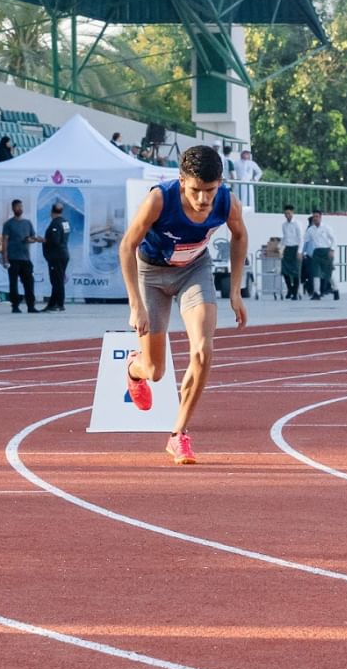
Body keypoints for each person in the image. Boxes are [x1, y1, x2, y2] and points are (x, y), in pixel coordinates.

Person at [117, 144, 249, 465]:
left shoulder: (227, 201)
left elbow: (240, 236)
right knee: (156, 370)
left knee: (203, 350)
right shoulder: (159, 199)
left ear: (219, 184)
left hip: (194, 271)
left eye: (210, 190)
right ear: (181, 181)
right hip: (151, 274)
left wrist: (235, 290)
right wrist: (136, 304)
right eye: (195, 190)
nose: (203, 199)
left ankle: (179, 434)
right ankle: (135, 370)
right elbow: (127, 246)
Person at [1, 199, 40, 313]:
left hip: (25, 258)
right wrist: (5, 258)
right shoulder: (8, 224)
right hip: (13, 258)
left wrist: (31, 239)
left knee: (29, 282)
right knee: (13, 283)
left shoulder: (28, 223)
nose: (20, 209)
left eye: (21, 207)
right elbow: (4, 241)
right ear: (13, 208)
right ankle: (15, 306)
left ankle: (31, 306)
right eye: (17, 207)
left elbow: (32, 238)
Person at [302, 211, 339, 300]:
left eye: (317, 216)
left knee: (328, 273)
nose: (315, 218)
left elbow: (334, 239)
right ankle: (316, 293)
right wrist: (302, 252)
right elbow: (304, 241)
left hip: (326, 251)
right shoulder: (310, 230)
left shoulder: (326, 228)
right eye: (314, 216)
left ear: (320, 217)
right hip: (316, 252)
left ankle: (336, 289)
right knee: (316, 273)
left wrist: (332, 250)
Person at [42, 203, 71, 311]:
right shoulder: (65, 222)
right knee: (58, 279)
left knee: (57, 280)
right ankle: (52, 304)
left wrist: (44, 240)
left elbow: (55, 240)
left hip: (56, 256)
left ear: (51, 212)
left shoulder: (55, 223)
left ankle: (59, 303)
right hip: (64, 254)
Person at [278, 203, 302, 301]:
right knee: (285, 271)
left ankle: (295, 293)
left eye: (289, 213)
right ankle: (290, 290)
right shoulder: (284, 225)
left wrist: (300, 251)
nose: (287, 215)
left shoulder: (297, 224)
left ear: (292, 213)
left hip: (295, 248)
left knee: (295, 272)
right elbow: (284, 238)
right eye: (285, 213)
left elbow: (301, 238)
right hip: (287, 248)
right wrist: (280, 248)